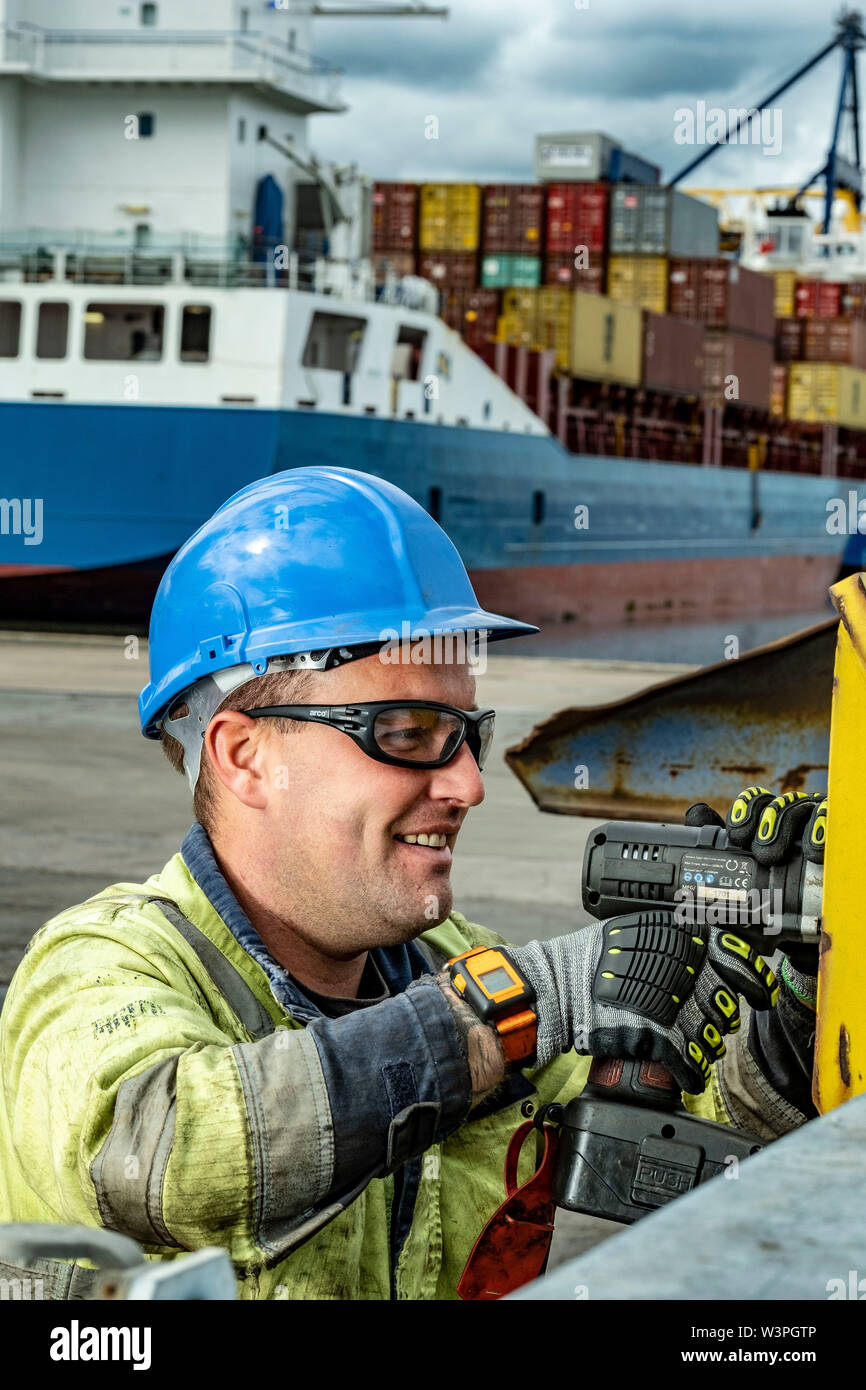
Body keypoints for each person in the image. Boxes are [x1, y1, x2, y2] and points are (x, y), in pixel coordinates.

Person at [0, 467, 814, 1300]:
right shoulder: (99, 967)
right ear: (246, 757)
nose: (468, 785)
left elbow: (681, 1134)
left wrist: (794, 1005)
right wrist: (528, 1001)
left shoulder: (445, 962)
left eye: (469, 735)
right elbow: (158, 1155)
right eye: (408, 732)